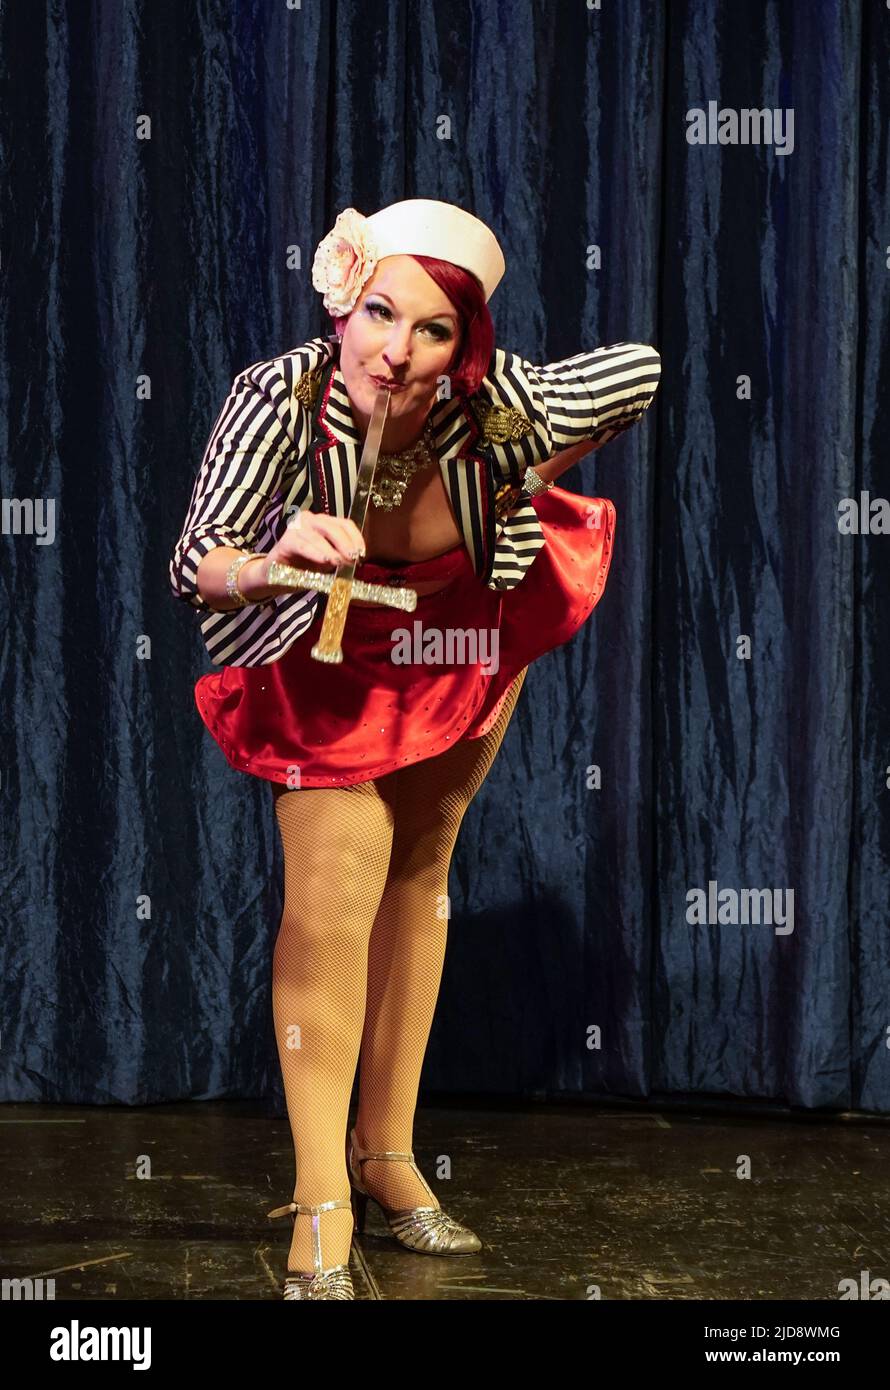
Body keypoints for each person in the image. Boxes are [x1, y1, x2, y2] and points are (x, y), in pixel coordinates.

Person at [169, 198, 661, 1299]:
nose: (396, 351)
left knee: (423, 868)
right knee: (332, 892)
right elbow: (194, 560)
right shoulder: (278, 398)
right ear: (344, 301)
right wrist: (269, 555)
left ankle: (386, 1156)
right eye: (380, 313)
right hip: (324, 646)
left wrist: (533, 466)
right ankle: (320, 1195)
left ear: (461, 342)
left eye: (431, 330)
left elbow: (639, 368)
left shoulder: (486, 403)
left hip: (450, 641)